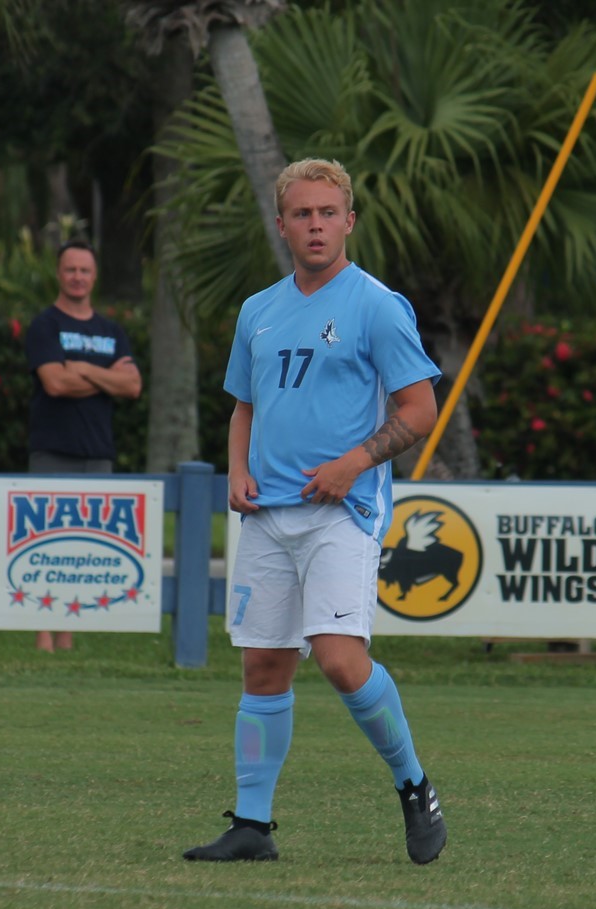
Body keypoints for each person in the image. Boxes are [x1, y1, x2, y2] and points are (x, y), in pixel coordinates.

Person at [183, 158, 448, 865]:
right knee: (264, 667)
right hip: (267, 515)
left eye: (328, 212)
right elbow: (245, 405)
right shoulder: (257, 311)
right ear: (282, 226)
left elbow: (420, 409)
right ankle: (251, 825)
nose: (316, 225)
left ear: (350, 220)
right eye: (302, 214)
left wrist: (353, 462)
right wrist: (237, 469)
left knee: (337, 659)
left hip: (343, 512)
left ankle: (414, 783)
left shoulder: (377, 304)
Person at [23, 236, 142, 653]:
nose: (77, 277)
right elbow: (54, 383)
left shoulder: (110, 331)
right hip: (53, 449)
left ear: (95, 276)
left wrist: (84, 370)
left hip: (98, 454)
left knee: (83, 545)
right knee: (45, 543)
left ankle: (69, 635)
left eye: (85, 270)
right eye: (70, 269)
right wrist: (104, 376)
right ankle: (43, 635)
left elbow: (132, 385)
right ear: (59, 273)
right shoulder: (45, 325)